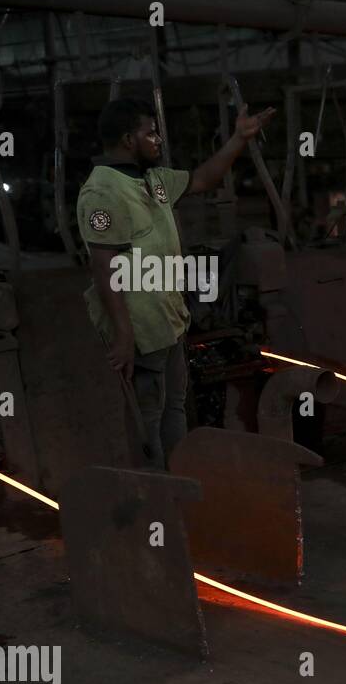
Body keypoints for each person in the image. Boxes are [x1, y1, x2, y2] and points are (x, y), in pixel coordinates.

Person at [77, 96, 275, 468]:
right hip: (140, 328)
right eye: (150, 133)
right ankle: (154, 496)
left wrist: (239, 139)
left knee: (174, 407)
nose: (158, 140)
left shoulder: (153, 179)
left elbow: (203, 178)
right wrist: (123, 336)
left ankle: (179, 484)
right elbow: (104, 271)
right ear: (127, 139)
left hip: (168, 321)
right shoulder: (103, 193)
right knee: (147, 419)